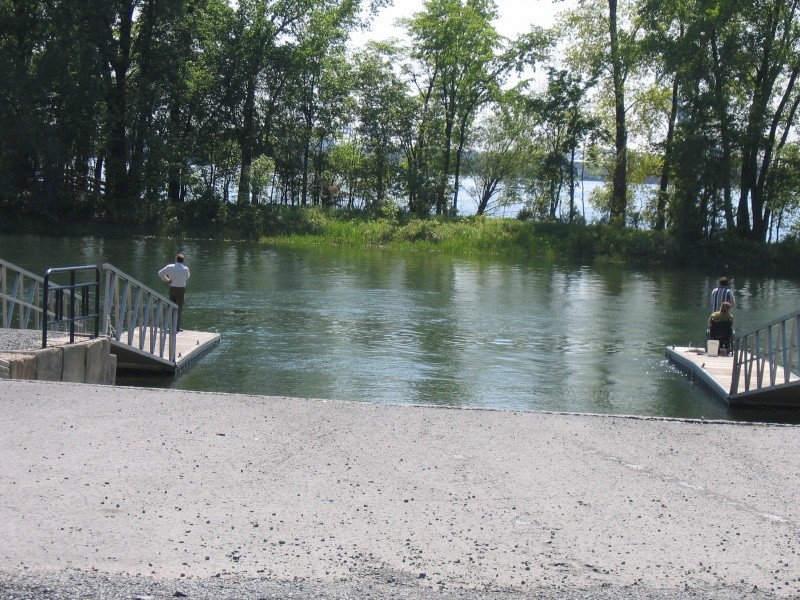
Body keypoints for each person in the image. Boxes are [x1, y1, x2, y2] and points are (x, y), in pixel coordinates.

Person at [158, 253, 190, 332]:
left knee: (171, 307)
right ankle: (177, 327)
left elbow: (160, 273)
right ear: (183, 260)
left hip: (172, 288)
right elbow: (187, 277)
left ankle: (171, 326)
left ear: (176, 259)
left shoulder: (170, 267)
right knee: (179, 308)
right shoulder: (185, 269)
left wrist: (167, 280)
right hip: (181, 289)